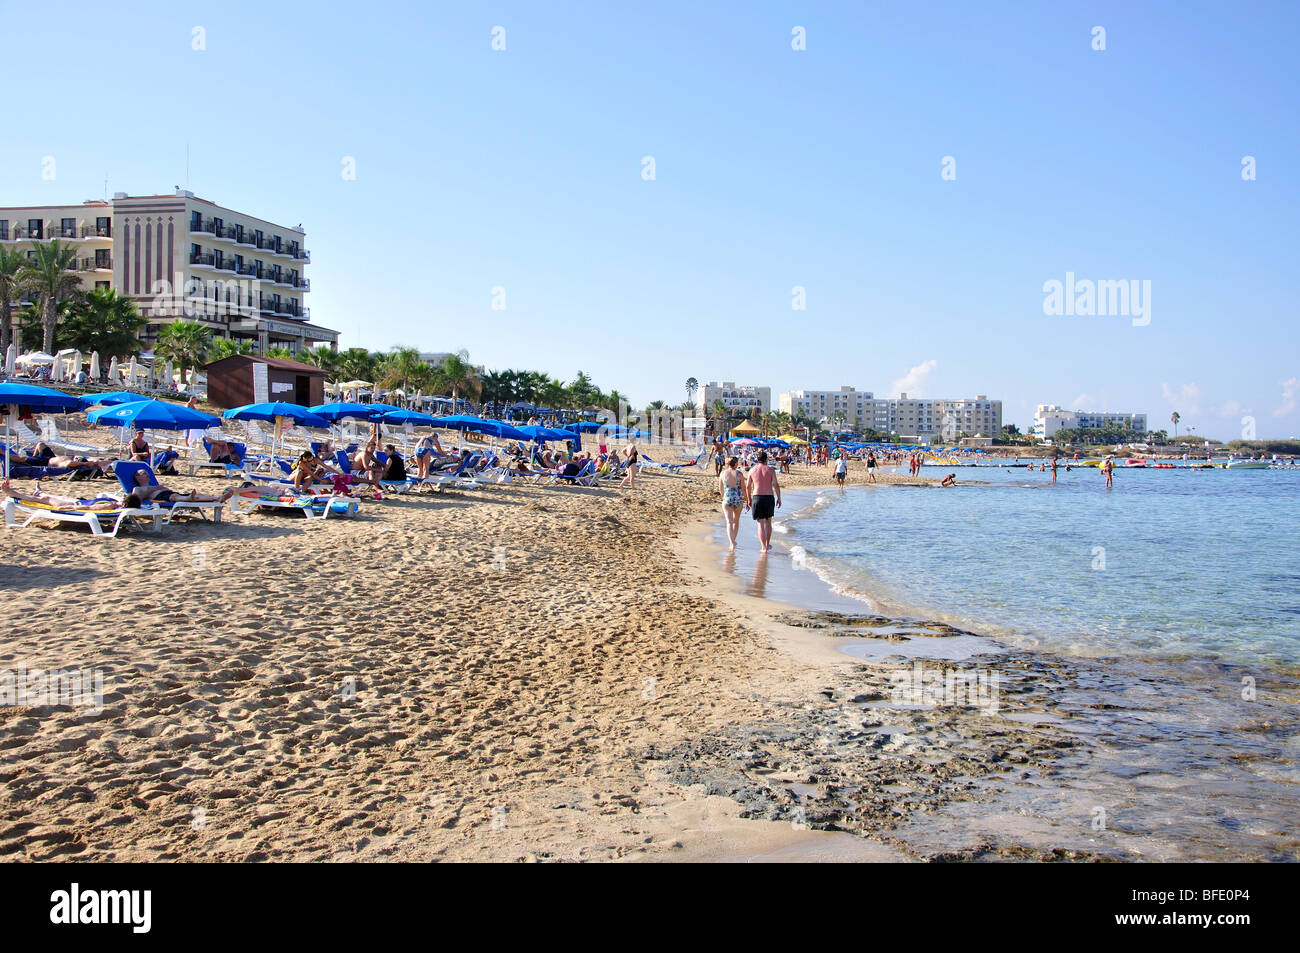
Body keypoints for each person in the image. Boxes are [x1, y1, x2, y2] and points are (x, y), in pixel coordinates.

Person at [122, 468, 236, 507]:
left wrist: (158, 487)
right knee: (175, 497)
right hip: (160, 497)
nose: (146, 474)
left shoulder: (154, 486)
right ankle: (189, 498)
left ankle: (218, 498)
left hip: (167, 493)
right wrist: (154, 489)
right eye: (142, 473)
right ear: (137, 477)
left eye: (146, 473)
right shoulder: (137, 489)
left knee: (194, 495)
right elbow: (136, 500)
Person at [746, 450, 780, 552]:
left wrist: (749, 499)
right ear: (766, 459)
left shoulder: (752, 470)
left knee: (760, 523)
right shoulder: (770, 470)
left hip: (757, 497)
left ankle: (763, 547)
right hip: (769, 497)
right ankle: (767, 544)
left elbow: (748, 486)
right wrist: (779, 497)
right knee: (768, 522)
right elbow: (775, 484)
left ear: (757, 459)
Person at [719, 456, 748, 551]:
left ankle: (732, 542)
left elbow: (721, 488)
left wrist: (723, 497)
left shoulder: (723, 473)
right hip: (738, 499)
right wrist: (747, 499)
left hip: (727, 498)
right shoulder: (739, 474)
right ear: (735, 464)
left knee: (729, 522)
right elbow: (743, 488)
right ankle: (733, 541)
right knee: (736, 521)